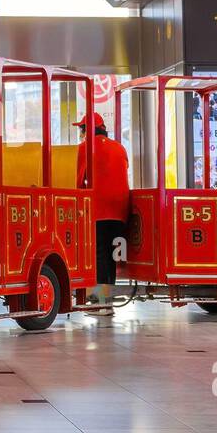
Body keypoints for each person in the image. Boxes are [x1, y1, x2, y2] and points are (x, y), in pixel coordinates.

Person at [76, 113, 130, 318]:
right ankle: (107, 304)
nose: (80, 134)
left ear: (86, 130)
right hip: (121, 210)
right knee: (111, 257)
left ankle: (100, 304)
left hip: (99, 209)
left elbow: (79, 182)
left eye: (81, 129)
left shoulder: (84, 148)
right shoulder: (120, 147)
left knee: (99, 256)